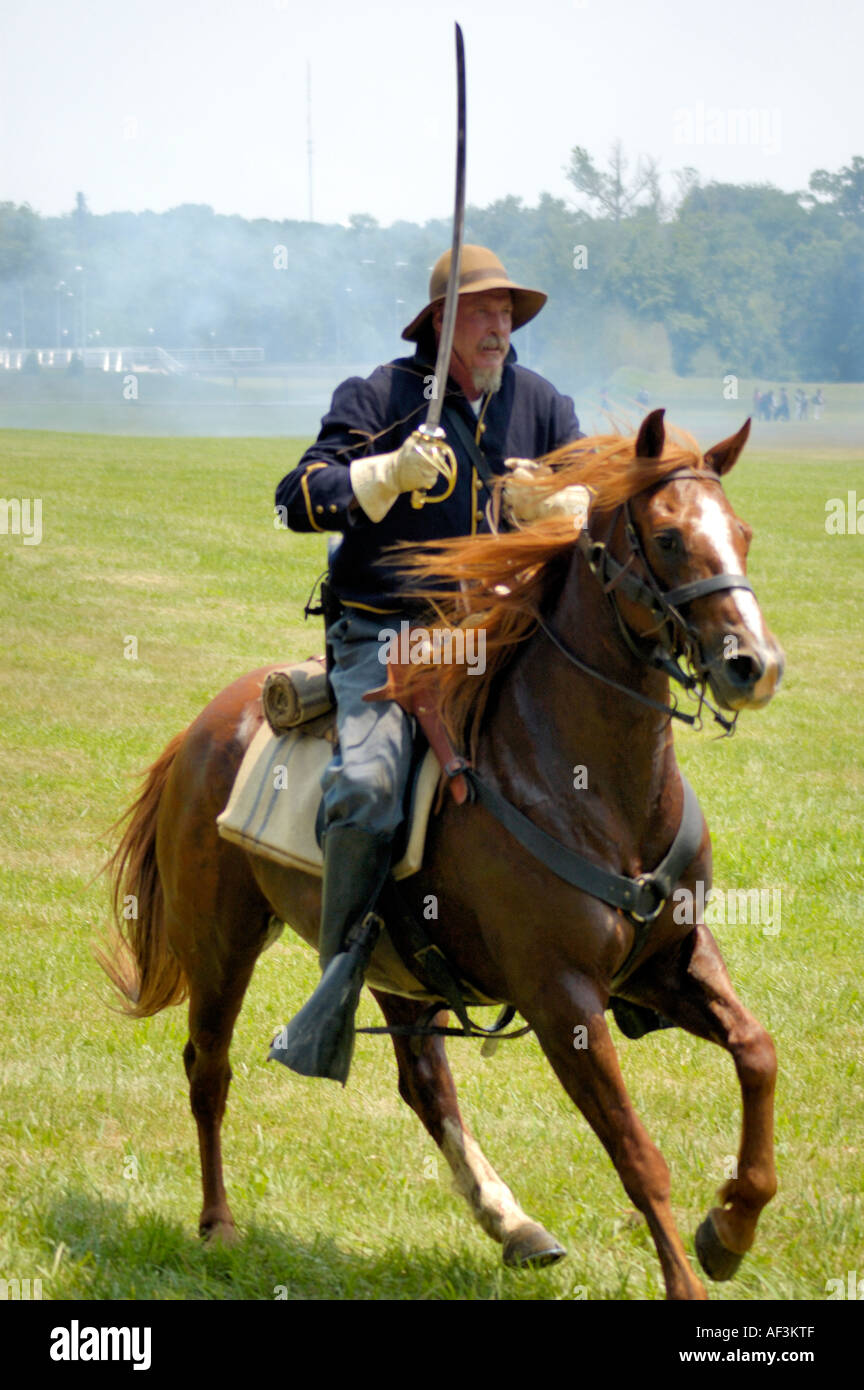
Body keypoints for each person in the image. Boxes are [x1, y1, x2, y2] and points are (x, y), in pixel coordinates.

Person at [272, 245, 587, 1082]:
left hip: (497, 639)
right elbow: (296, 497)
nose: (500, 327)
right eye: (483, 311)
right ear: (441, 322)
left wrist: (556, 506)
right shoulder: (377, 397)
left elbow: (596, 500)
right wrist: (382, 475)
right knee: (369, 790)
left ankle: (630, 961)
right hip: (389, 638)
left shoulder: (545, 405)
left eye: (508, 311)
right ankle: (336, 987)